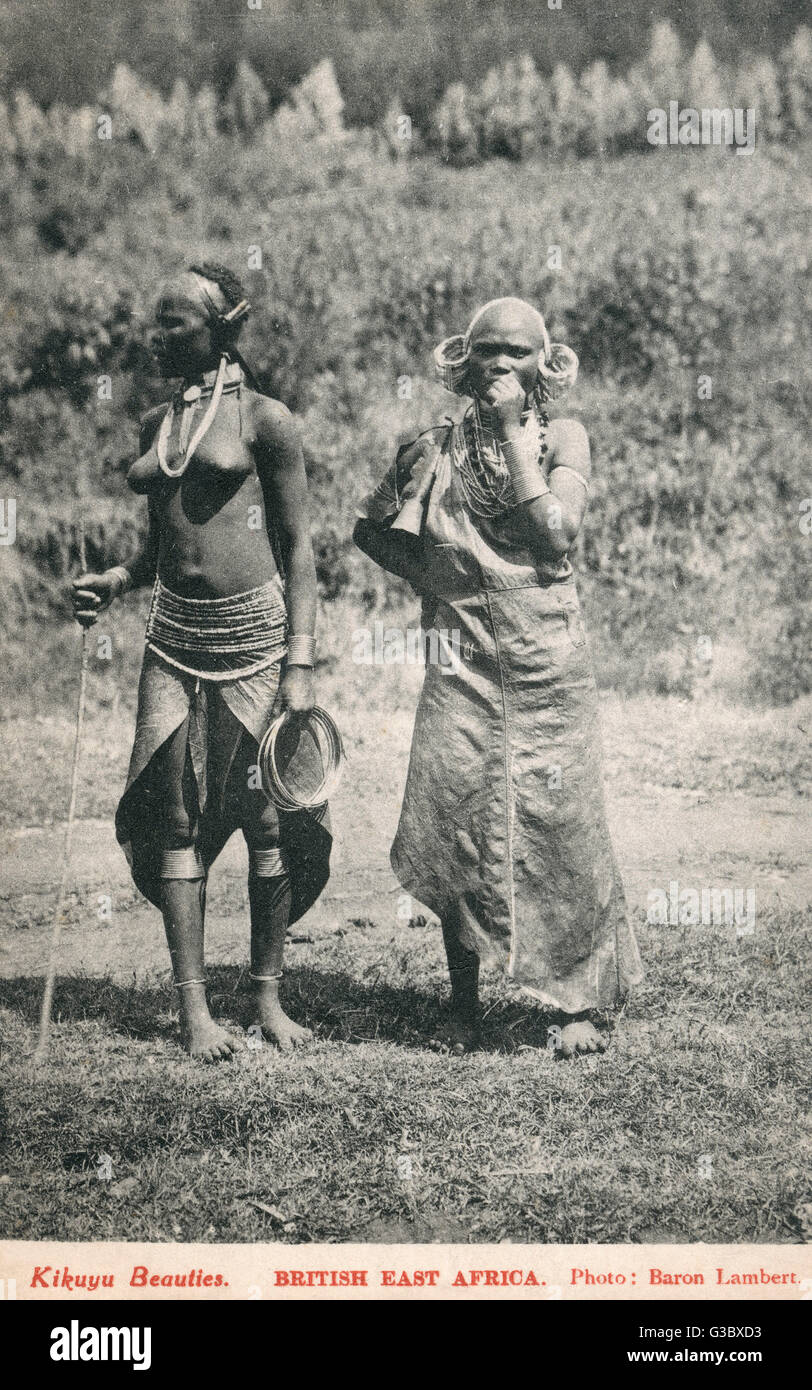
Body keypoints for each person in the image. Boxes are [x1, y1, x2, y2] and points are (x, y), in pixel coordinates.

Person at [354, 297, 642, 1058]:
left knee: (560, 820)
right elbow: (367, 533)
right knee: (456, 814)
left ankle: (574, 1003)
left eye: (517, 353)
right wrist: (438, 574)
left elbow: (557, 531)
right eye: (488, 352)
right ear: (465, 362)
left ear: (543, 367)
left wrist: (516, 431)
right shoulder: (437, 444)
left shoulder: (562, 435)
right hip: (463, 652)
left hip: (547, 654)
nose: (500, 365)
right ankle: (463, 1002)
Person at [72, 262, 330, 1060]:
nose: (157, 334)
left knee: (264, 816)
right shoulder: (158, 422)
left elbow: (299, 546)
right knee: (175, 814)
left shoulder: (266, 421)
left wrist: (301, 661)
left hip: (255, 636)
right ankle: (194, 1013)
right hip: (173, 636)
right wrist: (115, 579)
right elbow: (159, 547)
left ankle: (267, 1002)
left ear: (221, 327)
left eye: (175, 320)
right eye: (156, 321)